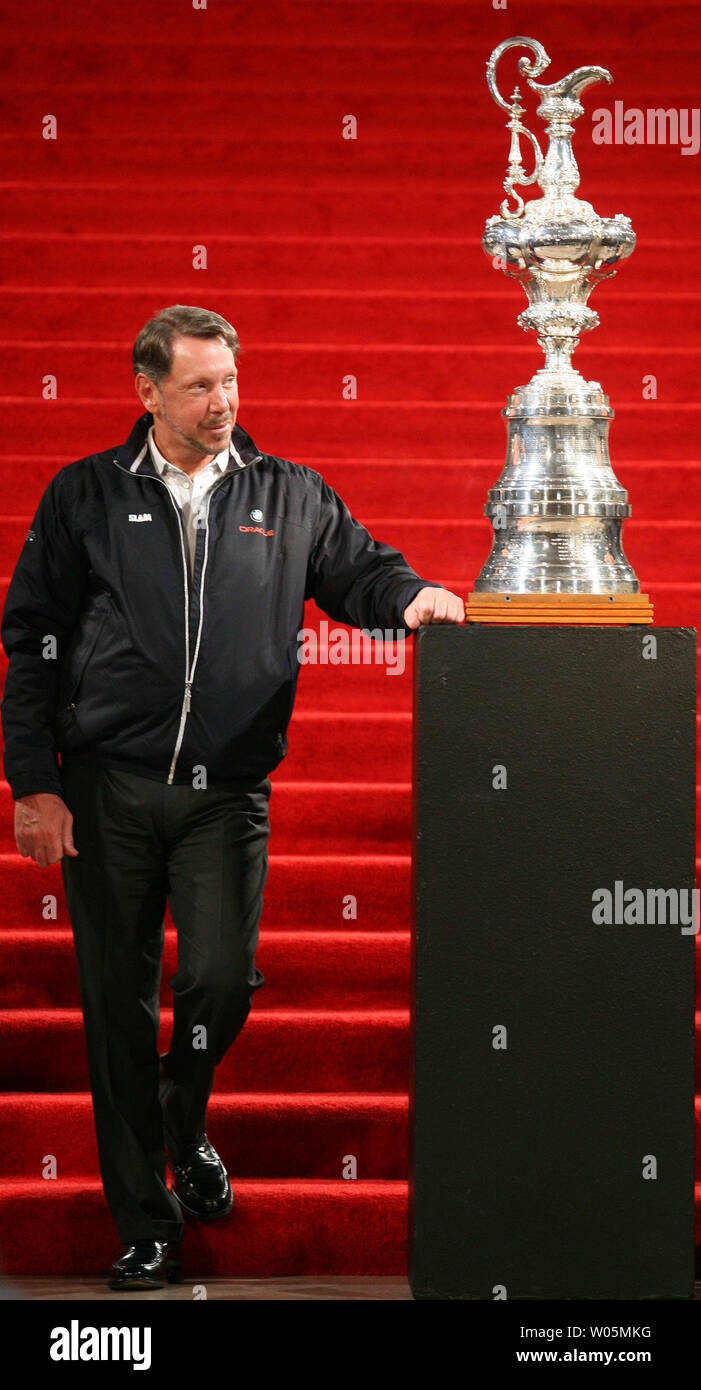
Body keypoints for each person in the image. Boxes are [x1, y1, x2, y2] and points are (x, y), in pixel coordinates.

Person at [1, 304, 465, 1291]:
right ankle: (148, 1223)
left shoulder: (285, 493)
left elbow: (359, 571)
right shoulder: (84, 494)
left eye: (230, 383)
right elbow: (31, 640)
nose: (222, 404)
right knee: (116, 1008)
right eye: (199, 387)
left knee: (216, 980)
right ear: (148, 391)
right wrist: (34, 784)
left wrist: (412, 595)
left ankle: (183, 1113)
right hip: (108, 787)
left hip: (225, 793)